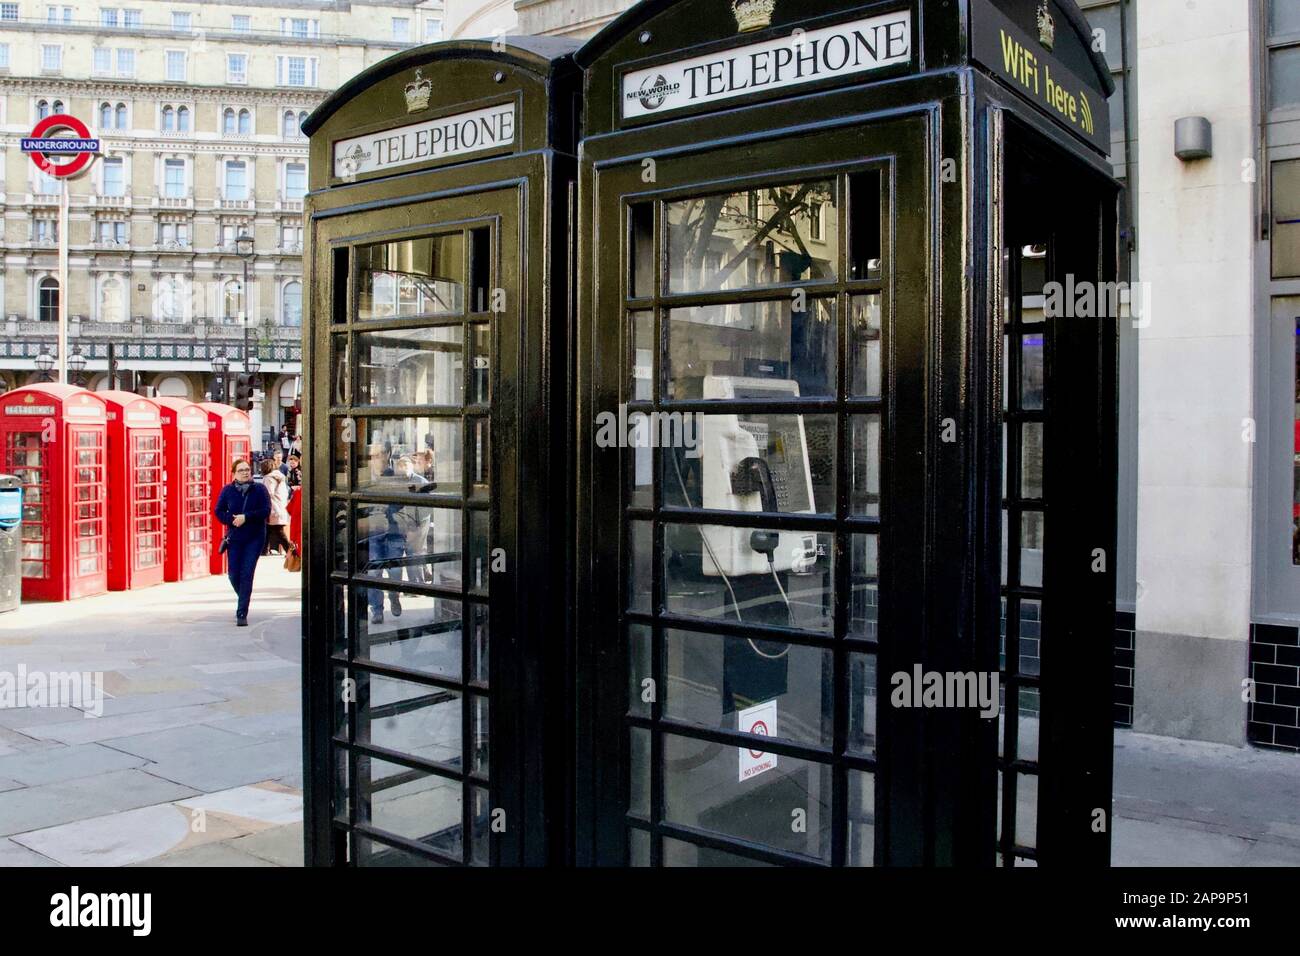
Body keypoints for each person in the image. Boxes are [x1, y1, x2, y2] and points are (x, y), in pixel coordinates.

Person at [214, 459, 271, 627]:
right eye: (241, 470)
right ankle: (244, 597)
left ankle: (241, 612)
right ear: (234, 473)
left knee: (246, 573)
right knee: (233, 574)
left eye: (247, 469)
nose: (245, 472)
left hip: (255, 537)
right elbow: (218, 511)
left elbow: (266, 510)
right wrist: (232, 520)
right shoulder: (228, 491)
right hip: (236, 538)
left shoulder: (259, 489)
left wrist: (246, 517)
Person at [261, 458, 292, 555]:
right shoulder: (279, 477)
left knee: (279, 531)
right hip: (280, 507)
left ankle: (290, 552)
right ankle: (263, 551)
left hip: (273, 508)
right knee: (267, 529)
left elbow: (268, 493)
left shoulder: (269, 478)